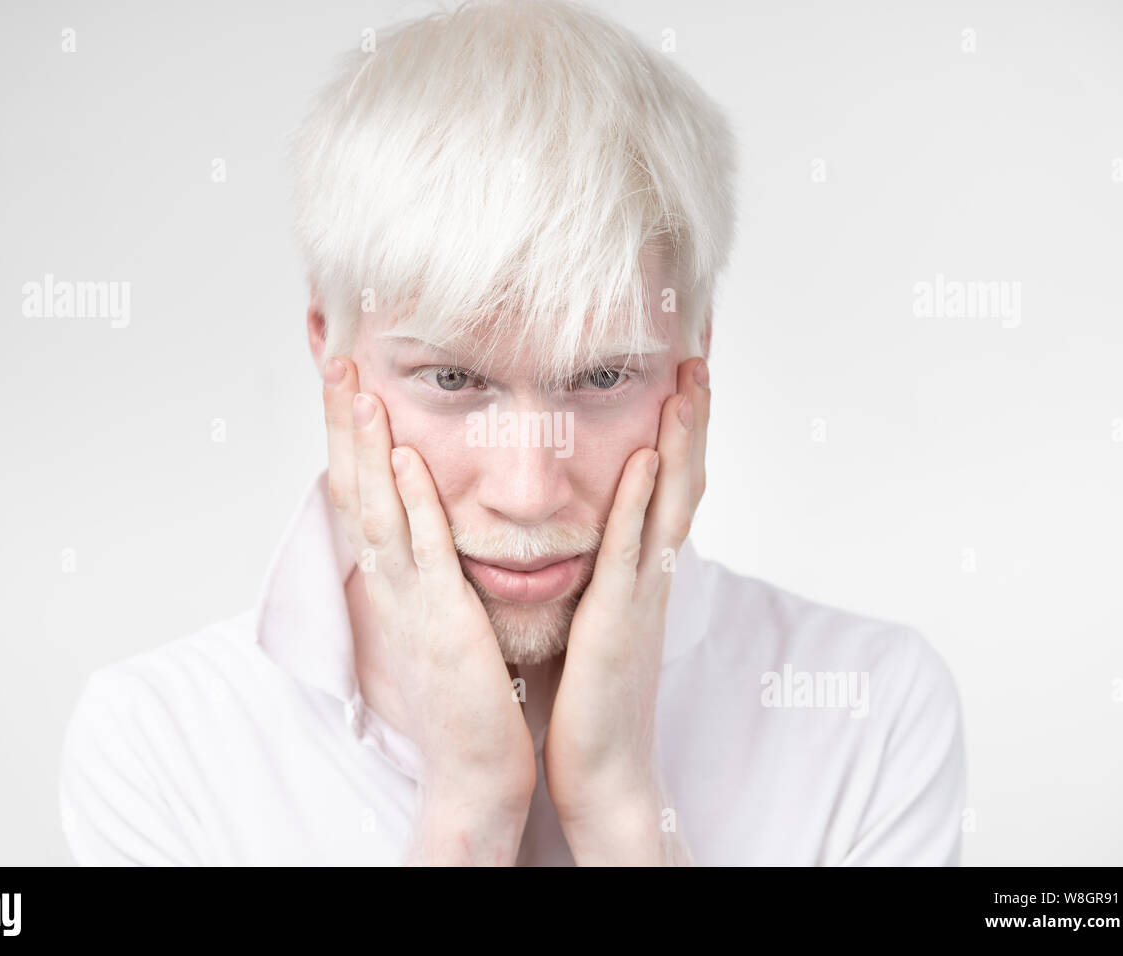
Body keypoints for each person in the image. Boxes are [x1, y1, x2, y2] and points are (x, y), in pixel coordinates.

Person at [59, 0, 966, 866]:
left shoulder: (871, 714)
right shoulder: (158, 746)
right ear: (329, 352)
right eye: (452, 379)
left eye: (603, 377)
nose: (530, 491)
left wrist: (619, 806)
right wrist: (470, 808)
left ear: (698, 352)